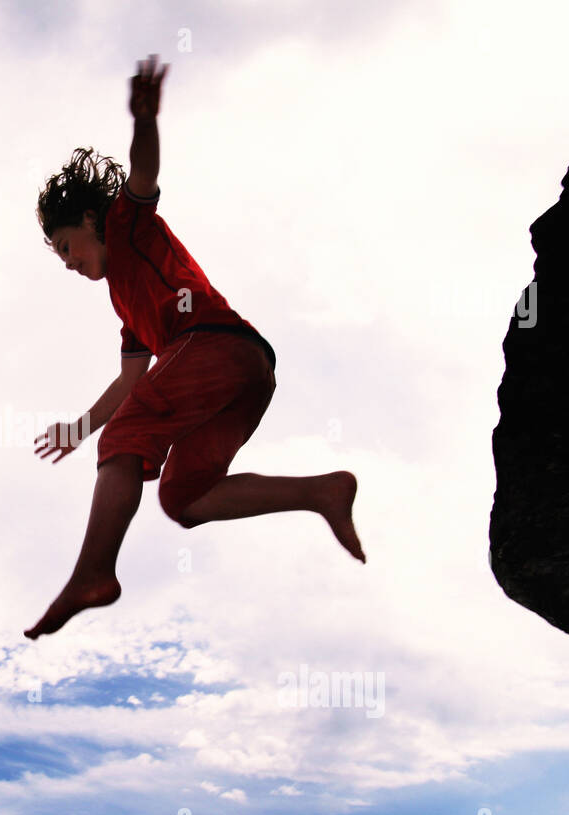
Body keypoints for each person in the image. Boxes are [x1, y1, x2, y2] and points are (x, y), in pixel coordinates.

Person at [25, 54, 365, 640]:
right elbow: (133, 384)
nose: (68, 263)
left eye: (65, 247)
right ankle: (323, 490)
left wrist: (145, 121)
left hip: (218, 347)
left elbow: (142, 174)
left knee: (127, 438)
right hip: (244, 379)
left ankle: (92, 575)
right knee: (182, 497)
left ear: (89, 218)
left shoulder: (126, 225)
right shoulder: (126, 304)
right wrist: (78, 429)